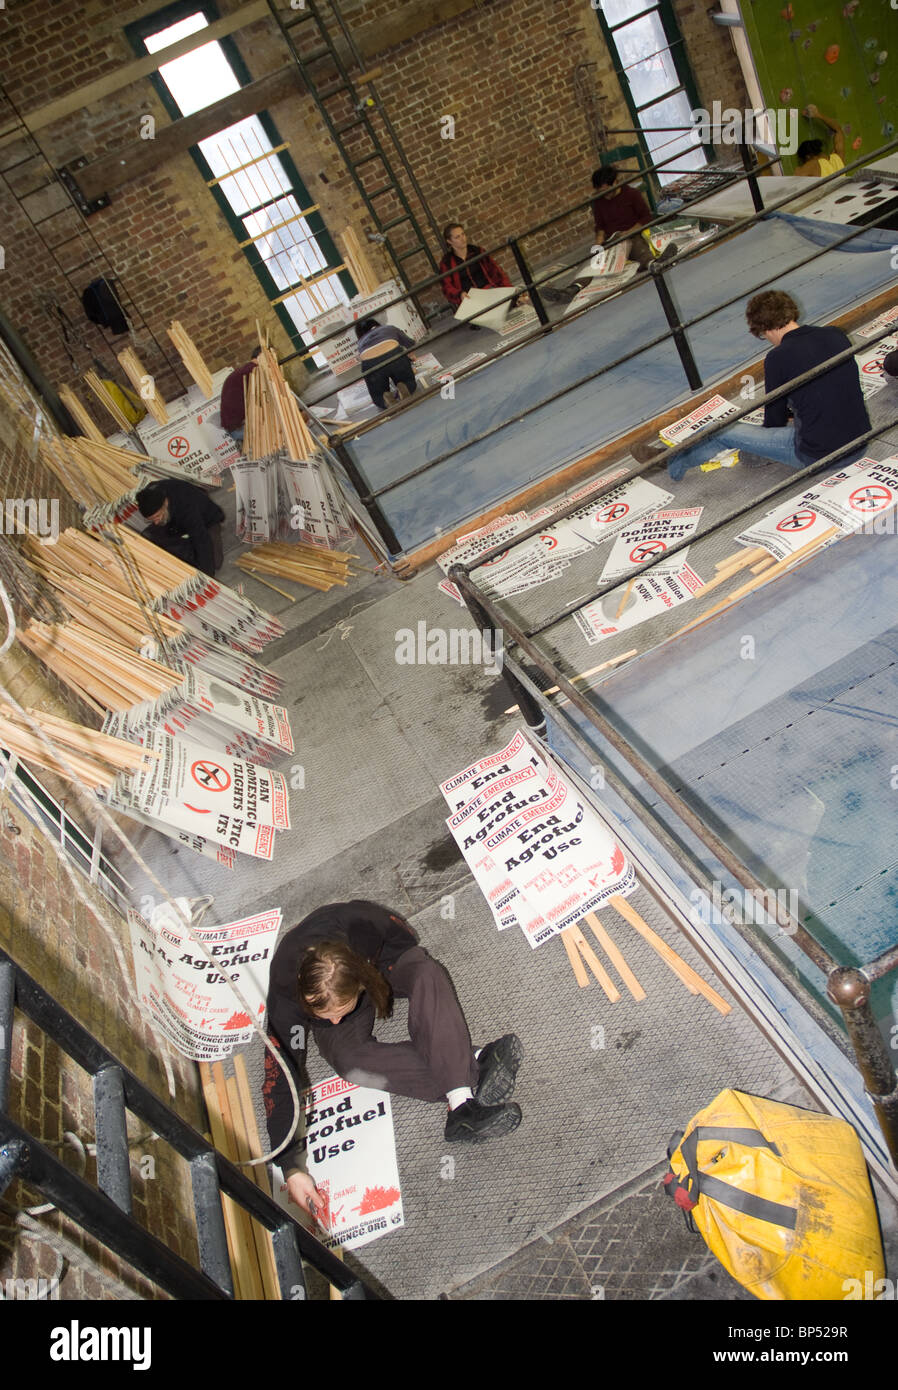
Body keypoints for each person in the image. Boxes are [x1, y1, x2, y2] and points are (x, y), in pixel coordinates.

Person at [261, 899, 524, 1223]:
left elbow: (405, 938)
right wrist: (291, 1167)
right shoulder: (287, 999)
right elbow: (281, 1076)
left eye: (337, 1012)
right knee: (349, 1061)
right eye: (323, 1015)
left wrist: (388, 978)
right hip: (348, 985)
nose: (331, 1021)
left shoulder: (362, 924)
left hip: (377, 969)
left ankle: (460, 1104)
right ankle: (471, 1066)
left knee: (426, 972)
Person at [632, 289, 870, 481]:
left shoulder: (778, 358)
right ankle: (752, 454)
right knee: (752, 449)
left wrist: (779, 426)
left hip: (821, 455)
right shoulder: (834, 334)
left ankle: (669, 461)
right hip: (860, 440)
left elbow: (773, 421)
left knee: (721, 430)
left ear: (764, 330)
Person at [135, 478, 225, 576]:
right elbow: (157, 518)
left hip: (207, 520)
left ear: (165, 503)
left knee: (214, 561)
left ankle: (192, 552)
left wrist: (207, 577)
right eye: (151, 519)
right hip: (175, 522)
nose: (155, 522)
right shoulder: (151, 493)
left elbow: (201, 539)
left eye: (157, 516)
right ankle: (189, 550)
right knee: (148, 535)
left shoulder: (186, 507)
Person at [438, 223, 514, 317]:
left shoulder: (477, 251)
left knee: (507, 304)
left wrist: (510, 291)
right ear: (449, 241)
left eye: (463, 234)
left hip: (488, 290)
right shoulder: (447, 263)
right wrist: (460, 294)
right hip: (469, 298)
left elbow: (496, 272)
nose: (463, 239)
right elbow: (447, 287)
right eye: (457, 237)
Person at [591, 165, 658, 270]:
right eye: (601, 192)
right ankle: (577, 285)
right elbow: (600, 227)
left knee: (636, 247)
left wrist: (628, 233)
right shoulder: (599, 202)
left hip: (632, 235)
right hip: (612, 240)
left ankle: (652, 264)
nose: (605, 195)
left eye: (607, 190)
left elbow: (646, 217)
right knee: (595, 263)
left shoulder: (632, 194)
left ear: (615, 182)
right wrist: (597, 246)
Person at [354, 316, 418, 411]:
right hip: (394, 355)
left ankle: (384, 398)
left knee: (378, 393)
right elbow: (410, 343)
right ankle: (405, 386)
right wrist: (412, 357)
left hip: (370, 363)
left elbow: (361, 358)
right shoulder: (389, 328)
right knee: (407, 380)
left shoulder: (361, 342)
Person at [220, 347, 261, 443]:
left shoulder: (244, 370)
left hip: (238, 427)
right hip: (242, 428)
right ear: (261, 356)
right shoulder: (253, 371)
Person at [794, 106, 845, 177]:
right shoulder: (838, 160)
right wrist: (818, 115)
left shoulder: (813, 165)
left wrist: (799, 169)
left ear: (808, 157)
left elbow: (794, 177)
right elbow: (838, 129)